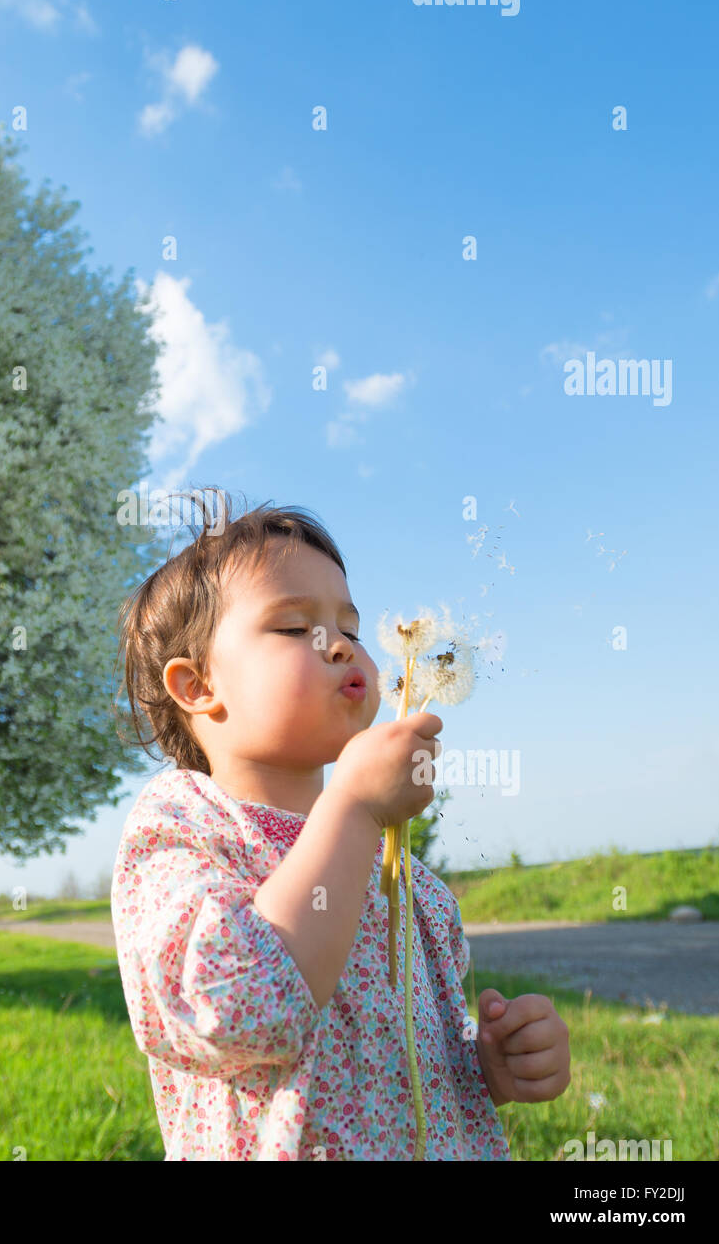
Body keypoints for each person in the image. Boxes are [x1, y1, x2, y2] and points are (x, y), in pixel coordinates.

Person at [110, 491, 570, 1160]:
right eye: (294, 629)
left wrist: (489, 1069)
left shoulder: (407, 880)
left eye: (350, 630)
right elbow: (239, 1010)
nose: (338, 648)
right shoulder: (183, 828)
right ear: (196, 687)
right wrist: (352, 807)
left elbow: (405, 1070)